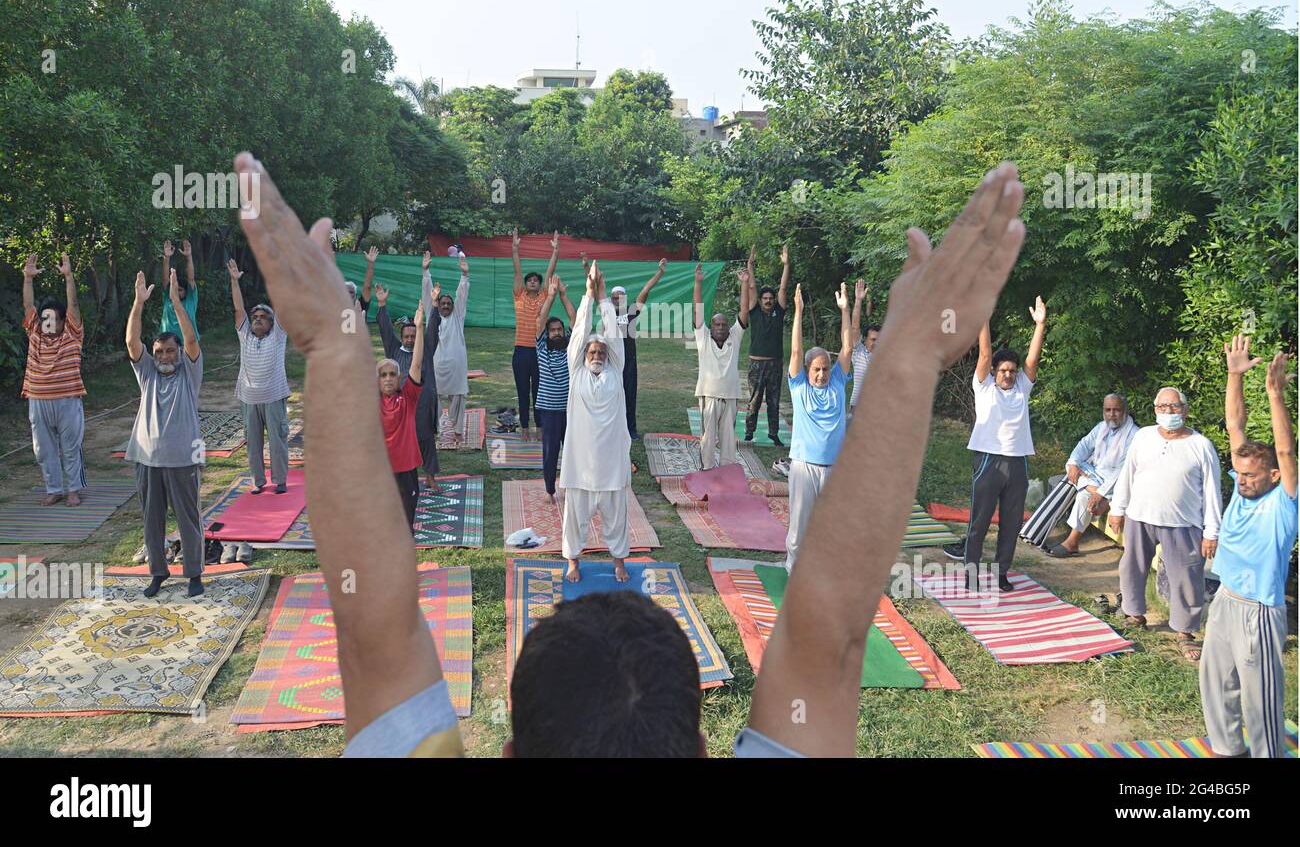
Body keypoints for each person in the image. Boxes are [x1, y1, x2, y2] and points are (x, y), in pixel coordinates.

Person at [232, 151, 1025, 758]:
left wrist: (330, 350)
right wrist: (912, 359)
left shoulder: (607, 358)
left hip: (610, 455)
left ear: (507, 753)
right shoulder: (579, 356)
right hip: (585, 455)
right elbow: (831, 634)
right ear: (707, 748)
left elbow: (373, 629)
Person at [1200, 337, 1297, 757]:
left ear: (1274, 476)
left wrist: (1274, 395)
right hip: (1225, 598)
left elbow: (1285, 448)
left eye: (1251, 475)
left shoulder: (1284, 502)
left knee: (1259, 703)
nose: (1241, 480)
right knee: (1215, 682)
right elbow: (1235, 426)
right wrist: (1234, 376)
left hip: (1259, 610)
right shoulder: (1243, 489)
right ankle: (1227, 751)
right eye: (1238, 473)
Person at [1108, 385, 1223, 660]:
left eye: (1174, 407)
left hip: (1183, 523)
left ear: (1185, 410)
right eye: (1162, 407)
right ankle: (1135, 615)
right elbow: (1127, 474)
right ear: (1155, 411)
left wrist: (1212, 531)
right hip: (1140, 516)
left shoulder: (1201, 445)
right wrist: (1117, 508)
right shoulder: (1143, 437)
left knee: (1186, 578)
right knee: (1131, 568)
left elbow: (1212, 491)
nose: (1168, 412)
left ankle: (1185, 632)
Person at [942, 301, 1047, 592]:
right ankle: (971, 573)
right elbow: (985, 353)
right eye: (1003, 370)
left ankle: (1001, 573)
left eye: (1012, 371)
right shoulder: (984, 386)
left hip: (1017, 463)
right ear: (994, 371)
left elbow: (1033, 360)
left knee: (1011, 524)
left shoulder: (1022, 389)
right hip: (988, 461)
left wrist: (1040, 325)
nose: (1008, 375)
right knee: (980, 520)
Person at [125, 268, 205, 598]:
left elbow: (190, 339)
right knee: (151, 519)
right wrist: (138, 303)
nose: (164, 356)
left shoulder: (189, 371)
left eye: (169, 351)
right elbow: (132, 341)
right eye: (159, 352)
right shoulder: (148, 373)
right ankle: (157, 572)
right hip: (146, 457)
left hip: (183, 457)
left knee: (188, 518)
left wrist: (175, 301)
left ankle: (194, 574)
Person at [558, 262, 633, 584]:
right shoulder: (576, 374)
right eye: (592, 350)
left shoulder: (616, 370)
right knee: (575, 520)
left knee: (617, 518)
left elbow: (614, 336)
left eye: (601, 350)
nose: (597, 353)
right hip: (580, 465)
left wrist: (603, 296)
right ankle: (573, 561)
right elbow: (578, 335)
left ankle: (619, 562)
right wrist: (588, 296)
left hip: (613, 463)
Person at [783, 281, 852, 571]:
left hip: (834, 467)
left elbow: (847, 348)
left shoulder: (838, 382)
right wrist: (797, 311)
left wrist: (846, 310)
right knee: (800, 523)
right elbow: (797, 352)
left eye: (825, 368)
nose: (822, 373)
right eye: (817, 369)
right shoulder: (799, 386)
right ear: (807, 370)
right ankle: (794, 568)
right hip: (804, 466)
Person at [1025, 394, 1137, 555]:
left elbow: (1123, 472)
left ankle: (1072, 542)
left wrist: (1099, 494)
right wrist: (1073, 464)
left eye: (1116, 410)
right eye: (1107, 410)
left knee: (1085, 496)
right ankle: (1035, 530)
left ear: (1125, 411)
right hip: (1096, 477)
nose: (1111, 414)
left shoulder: (1134, 434)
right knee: (1072, 473)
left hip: (1120, 482)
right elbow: (1083, 446)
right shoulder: (1101, 427)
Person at [20, 252, 87, 507]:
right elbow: (28, 307)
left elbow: (74, 307)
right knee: (44, 450)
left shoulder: (71, 335)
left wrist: (69, 277)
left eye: (52, 318)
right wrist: (28, 279)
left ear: (62, 321)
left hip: (67, 400)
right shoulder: (35, 333)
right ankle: (54, 489)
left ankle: (73, 490)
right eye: (44, 318)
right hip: (38, 400)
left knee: (71, 447)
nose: (47, 322)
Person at [375, 251, 441, 486]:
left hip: (421, 401)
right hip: (397, 406)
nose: (411, 340)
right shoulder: (394, 349)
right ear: (401, 336)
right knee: (398, 440)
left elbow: (431, 329)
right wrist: (382, 304)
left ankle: (430, 476)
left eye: (414, 336)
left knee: (425, 438)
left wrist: (433, 305)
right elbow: (384, 329)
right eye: (407, 336)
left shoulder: (426, 349)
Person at [227, 259, 291, 501]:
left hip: (274, 396)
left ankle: (280, 481)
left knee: (277, 440)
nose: (257, 318)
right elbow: (238, 309)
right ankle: (258, 481)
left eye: (264, 316)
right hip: (249, 398)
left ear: (272, 323)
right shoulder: (244, 333)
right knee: (253, 442)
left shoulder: (278, 335)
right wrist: (235, 281)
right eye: (256, 315)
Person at [693, 264, 750, 469]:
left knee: (728, 440)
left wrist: (744, 284)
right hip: (708, 396)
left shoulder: (734, 337)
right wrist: (698, 283)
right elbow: (697, 310)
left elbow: (744, 311)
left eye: (723, 324)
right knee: (707, 438)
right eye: (716, 324)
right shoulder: (703, 338)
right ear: (711, 326)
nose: (720, 327)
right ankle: (707, 470)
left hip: (731, 396)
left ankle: (726, 471)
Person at [378, 302, 428, 530]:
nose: (388, 379)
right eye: (383, 375)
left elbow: (416, 364)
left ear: (399, 378)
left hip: (406, 466)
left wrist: (419, 329)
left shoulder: (408, 397)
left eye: (392, 375)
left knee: (407, 514)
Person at [511, 230, 560, 441]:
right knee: (523, 391)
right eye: (529, 280)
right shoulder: (519, 296)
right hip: (521, 351)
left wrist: (555, 251)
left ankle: (539, 428)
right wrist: (515, 248)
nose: (532, 282)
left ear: (540, 285)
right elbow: (516, 271)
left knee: (539, 392)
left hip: (540, 351)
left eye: (535, 281)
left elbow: (550, 273)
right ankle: (524, 428)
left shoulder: (543, 298)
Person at [610, 258, 665, 440]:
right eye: (614, 297)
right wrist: (587, 268)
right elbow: (594, 291)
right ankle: (612, 428)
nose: (617, 299)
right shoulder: (606, 312)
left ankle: (630, 429)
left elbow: (645, 291)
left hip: (629, 360)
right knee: (610, 396)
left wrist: (659, 273)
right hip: (611, 361)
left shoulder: (631, 312)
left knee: (629, 395)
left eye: (620, 296)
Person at [743, 243, 790, 447]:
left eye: (771, 299)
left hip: (775, 364)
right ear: (760, 300)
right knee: (754, 401)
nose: (769, 301)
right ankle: (749, 432)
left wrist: (786, 265)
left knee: (773, 401)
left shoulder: (779, 312)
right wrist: (750, 265)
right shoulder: (754, 311)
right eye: (766, 299)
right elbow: (752, 287)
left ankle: (773, 434)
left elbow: (783, 287)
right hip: (757, 364)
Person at [535, 275, 576, 500]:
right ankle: (550, 490)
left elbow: (575, 318)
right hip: (549, 411)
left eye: (559, 329)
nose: (557, 332)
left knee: (571, 451)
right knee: (550, 452)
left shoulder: (570, 348)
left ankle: (571, 486)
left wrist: (563, 296)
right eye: (553, 330)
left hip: (570, 409)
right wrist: (550, 297)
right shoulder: (541, 348)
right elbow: (540, 320)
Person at [433, 254, 470, 445]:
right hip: (437, 366)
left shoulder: (457, 318)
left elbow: (462, 296)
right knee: (434, 398)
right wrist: (425, 274)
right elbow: (427, 295)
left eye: (449, 303)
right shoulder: (434, 320)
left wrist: (464, 276)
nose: (446, 305)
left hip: (456, 367)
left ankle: (457, 431)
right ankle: (435, 429)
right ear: (438, 306)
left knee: (459, 397)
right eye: (443, 303)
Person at [848, 280, 878, 417]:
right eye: (873, 340)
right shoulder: (859, 351)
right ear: (864, 339)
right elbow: (854, 327)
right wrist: (859, 301)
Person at [160, 239, 200, 341]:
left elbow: (191, 278)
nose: (176, 292)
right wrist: (166, 257)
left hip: (188, 345)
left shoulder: (191, 300)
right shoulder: (168, 300)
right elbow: (165, 279)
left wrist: (189, 257)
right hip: (167, 345)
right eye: (175, 289)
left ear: (186, 292)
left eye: (180, 290)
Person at [349, 244, 379, 313]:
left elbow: (367, 287)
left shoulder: (360, 305)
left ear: (355, 294)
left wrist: (371, 263)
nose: (349, 294)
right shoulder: (337, 307)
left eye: (351, 292)